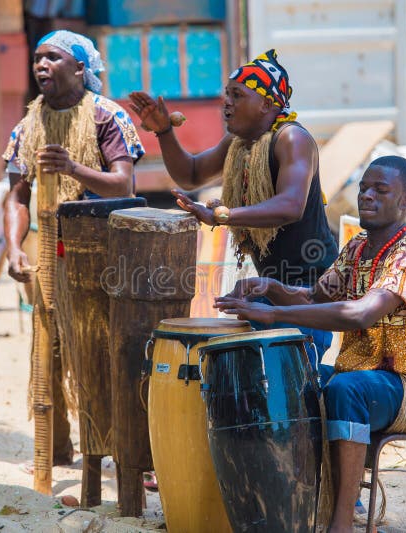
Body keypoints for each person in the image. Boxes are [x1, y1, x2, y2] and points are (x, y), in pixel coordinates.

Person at [215, 155, 406, 533]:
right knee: (295, 379)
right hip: (363, 377)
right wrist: (272, 289)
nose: (367, 196)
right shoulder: (358, 248)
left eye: (380, 190)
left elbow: (359, 315)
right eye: (363, 188)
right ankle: (298, 501)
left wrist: (275, 315)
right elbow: (315, 298)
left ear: (405, 201)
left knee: (344, 389)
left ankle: (342, 521)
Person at [128, 49, 337, 361]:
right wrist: (164, 131)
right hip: (270, 286)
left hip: (308, 292)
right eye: (227, 94)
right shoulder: (239, 142)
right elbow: (192, 174)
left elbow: (291, 205)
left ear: (267, 103)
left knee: (291, 386)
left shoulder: (292, 139)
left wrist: (222, 216)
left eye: (237, 95)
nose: (226, 102)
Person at [3, 30, 144, 466]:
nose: (41, 65)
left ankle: (109, 449)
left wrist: (73, 167)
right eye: (38, 58)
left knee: (99, 352)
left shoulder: (107, 116)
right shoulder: (26, 126)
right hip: (48, 255)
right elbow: (17, 197)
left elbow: (124, 183)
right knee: (49, 350)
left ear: (81, 68)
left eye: (54, 58)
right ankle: (57, 449)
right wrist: (13, 249)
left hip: (100, 254)